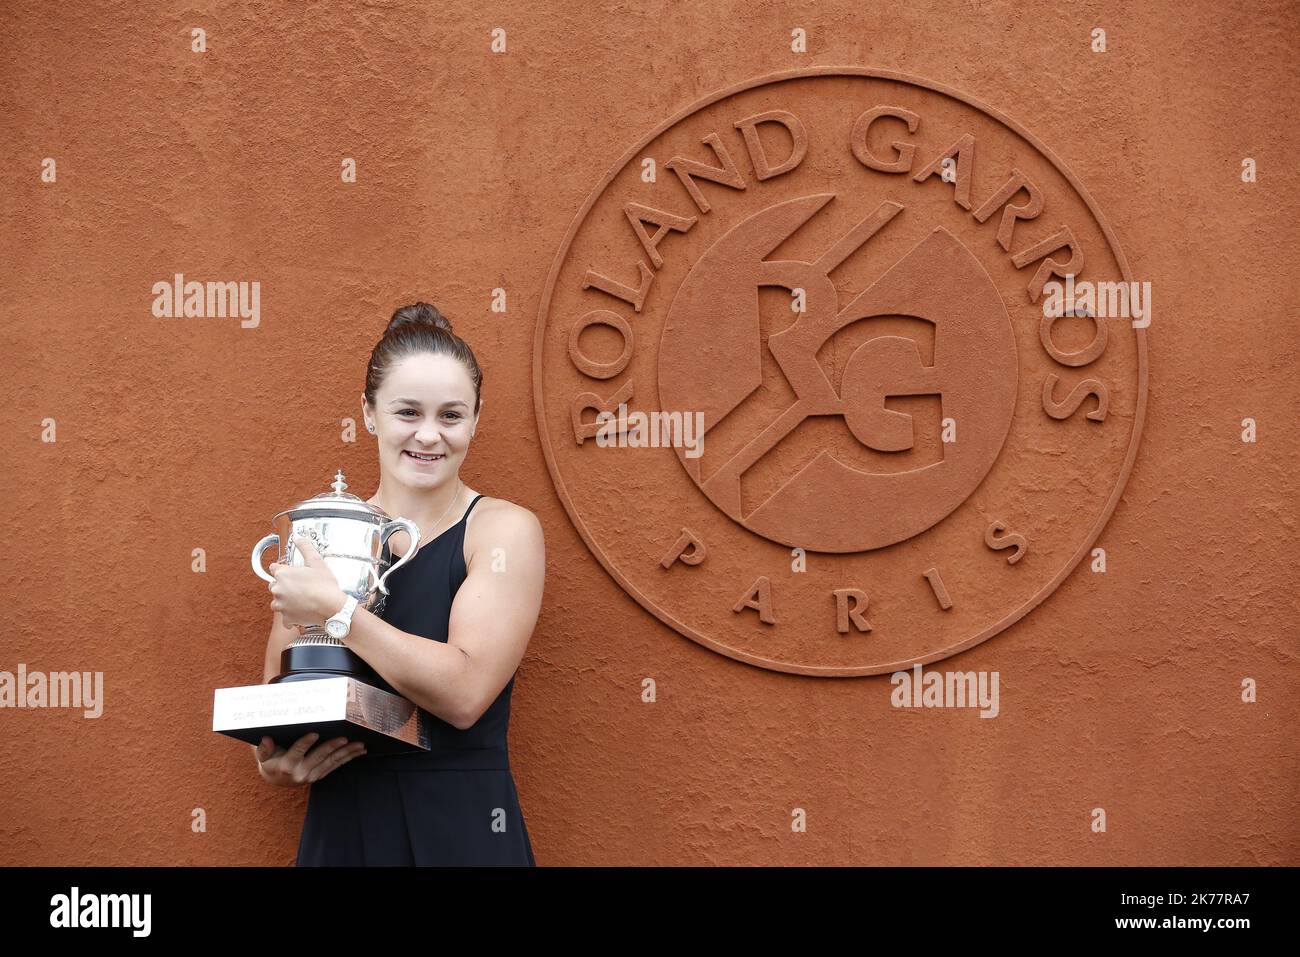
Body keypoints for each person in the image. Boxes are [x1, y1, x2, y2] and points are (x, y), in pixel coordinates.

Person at [250, 301, 544, 866]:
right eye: (407, 412)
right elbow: (279, 702)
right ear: (368, 413)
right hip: (345, 828)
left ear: (477, 419)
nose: (429, 436)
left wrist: (338, 611)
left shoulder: (503, 530)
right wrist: (275, 764)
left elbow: (462, 695)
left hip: (464, 830)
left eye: (451, 416)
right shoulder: (322, 534)